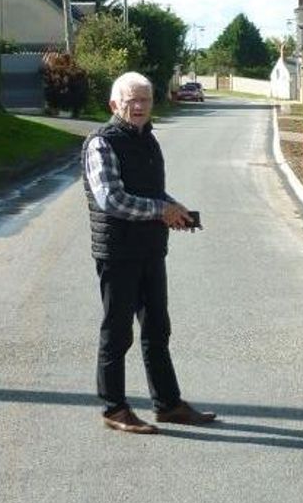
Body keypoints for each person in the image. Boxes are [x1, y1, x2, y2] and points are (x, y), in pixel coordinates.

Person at [82, 71, 216, 434]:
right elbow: (111, 199)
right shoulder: (101, 143)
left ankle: (168, 404)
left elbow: (154, 193)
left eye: (145, 100)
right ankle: (114, 408)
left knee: (157, 329)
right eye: (132, 101)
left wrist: (177, 210)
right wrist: (161, 211)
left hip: (151, 250)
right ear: (115, 105)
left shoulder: (148, 139)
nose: (139, 106)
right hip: (117, 251)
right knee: (117, 332)